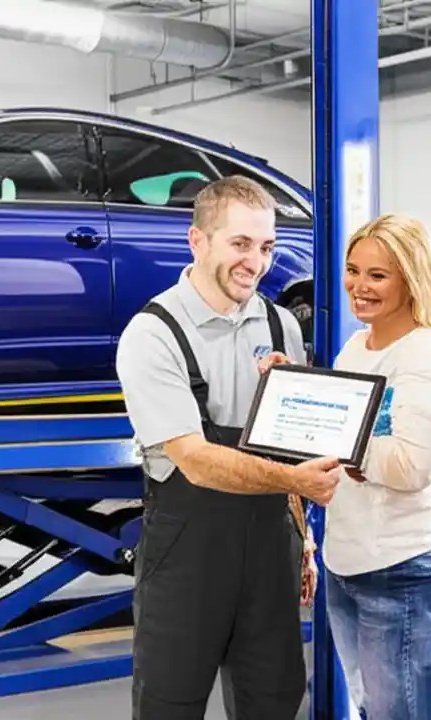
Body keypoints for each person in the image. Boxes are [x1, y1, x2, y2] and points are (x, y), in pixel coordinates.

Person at [115, 175, 342, 720]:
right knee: (169, 704)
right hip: (188, 556)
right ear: (198, 242)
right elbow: (193, 459)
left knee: (274, 701)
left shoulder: (280, 324)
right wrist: (294, 482)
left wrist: (303, 535)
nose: (256, 263)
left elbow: (288, 447)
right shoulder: (154, 334)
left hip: (271, 554)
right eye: (240, 244)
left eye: (266, 247)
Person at [259, 213, 431, 719]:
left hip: (402, 568)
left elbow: (408, 468)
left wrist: (329, 432)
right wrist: (298, 391)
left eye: (378, 275)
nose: (358, 286)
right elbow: (347, 418)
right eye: (353, 270)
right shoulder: (359, 345)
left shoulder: (428, 356)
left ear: (412, 279)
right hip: (348, 563)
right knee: (374, 710)